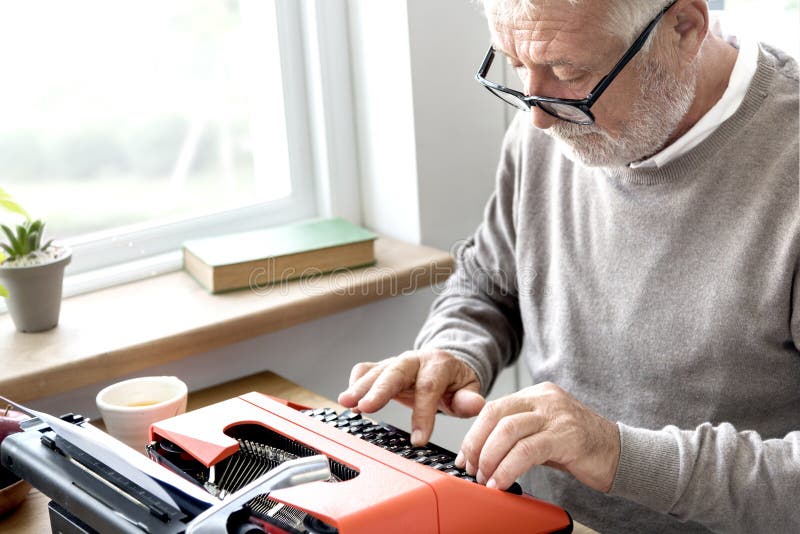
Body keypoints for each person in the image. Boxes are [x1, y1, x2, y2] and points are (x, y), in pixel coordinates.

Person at [339, 0, 799, 532]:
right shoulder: (554, 122)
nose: (535, 115)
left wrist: (619, 456)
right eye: (514, 62)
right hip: (541, 519)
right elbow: (488, 285)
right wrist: (455, 349)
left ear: (684, 27)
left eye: (568, 72)